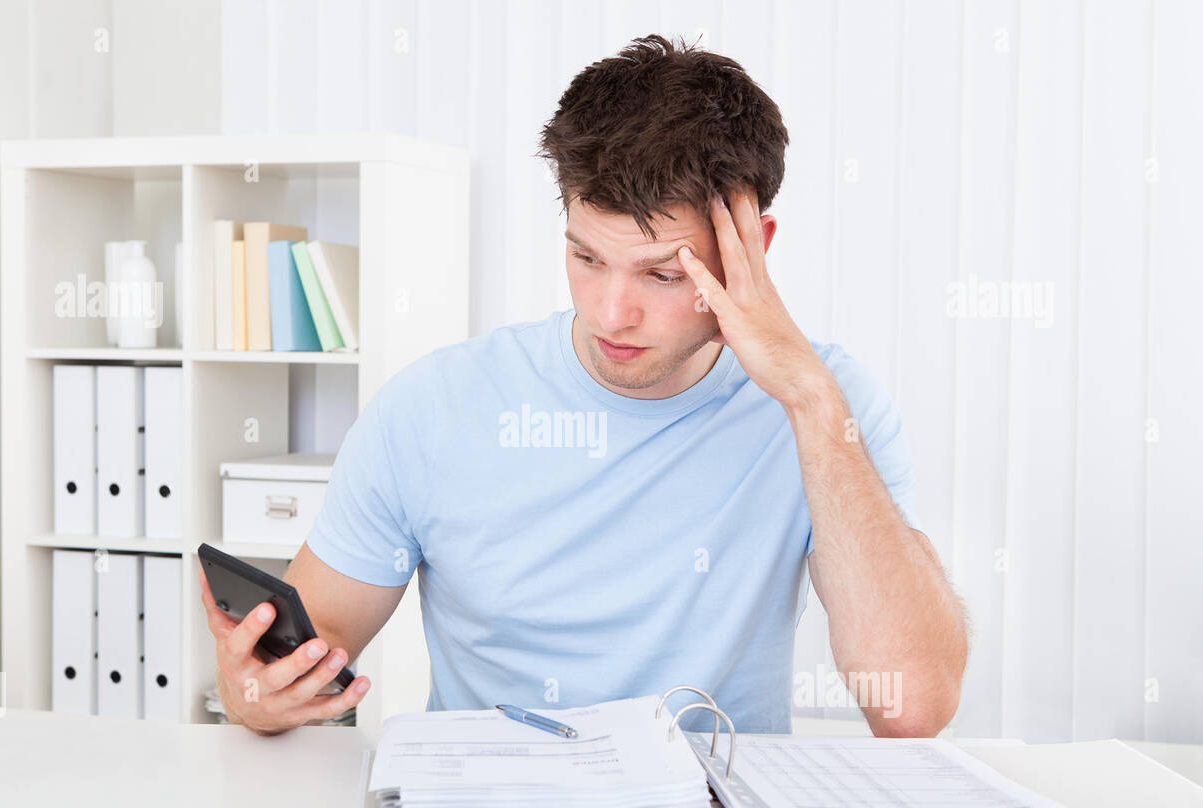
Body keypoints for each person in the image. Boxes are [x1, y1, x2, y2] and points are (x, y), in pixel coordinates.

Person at [202, 34, 968, 737]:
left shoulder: (828, 408)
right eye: (587, 257)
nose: (612, 313)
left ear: (750, 252)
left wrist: (807, 397)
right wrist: (252, 695)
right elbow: (296, 665)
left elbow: (914, 707)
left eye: (664, 274)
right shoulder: (433, 409)